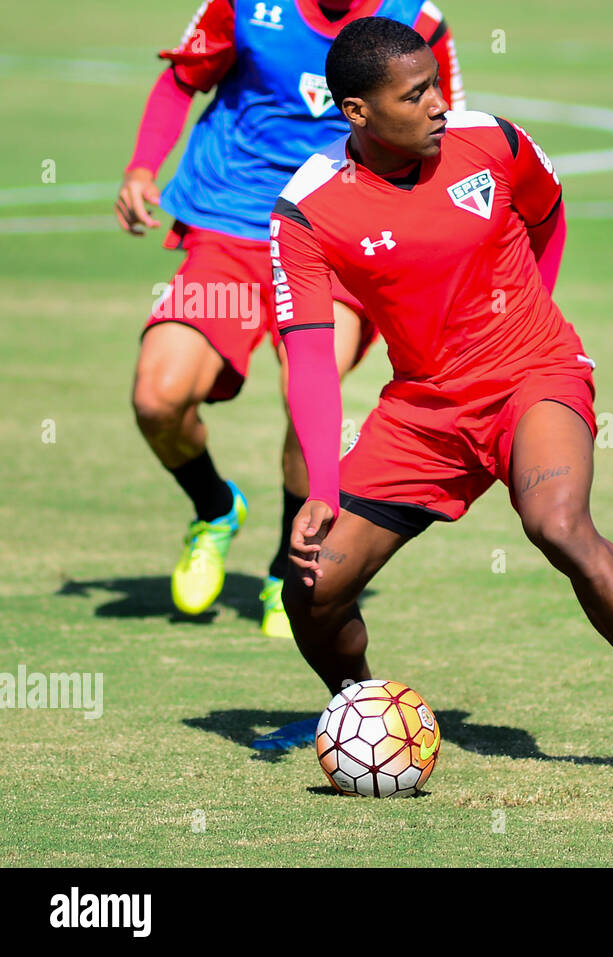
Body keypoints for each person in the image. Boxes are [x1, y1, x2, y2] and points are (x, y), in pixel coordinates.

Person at [268, 17, 613, 783]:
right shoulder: (307, 209)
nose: (439, 103)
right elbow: (307, 353)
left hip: (534, 373)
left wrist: (532, 323)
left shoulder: (493, 141)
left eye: (435, 83)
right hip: (424, 409)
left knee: (557, 524)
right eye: (416, 93)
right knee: (313, 585)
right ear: (358, 112)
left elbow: (545, 214)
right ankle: (362, 710)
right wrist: (322, 489)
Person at [116, 0, 463, 638]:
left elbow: (446, 131)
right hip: (230, 224)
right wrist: (142, 167)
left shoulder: (415, 21)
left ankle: (285, 568)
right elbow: (179, 80)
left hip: (334, 236)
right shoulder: (243, 6)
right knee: (156, 400)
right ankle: (215, 510)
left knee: (309, 400)